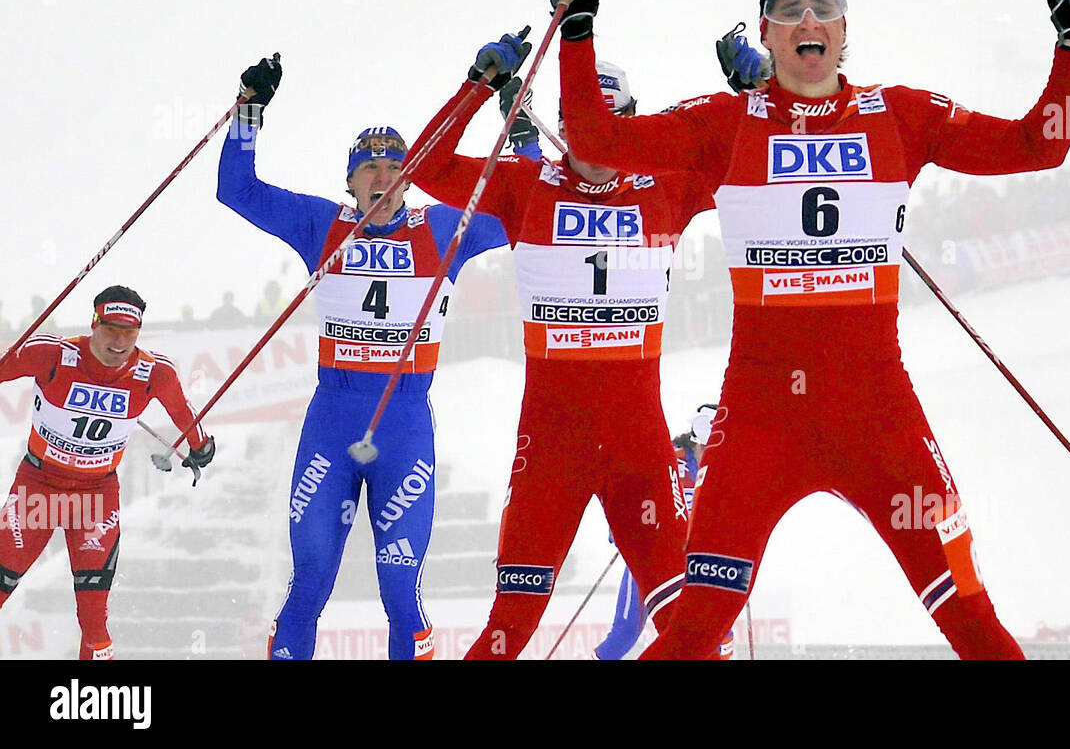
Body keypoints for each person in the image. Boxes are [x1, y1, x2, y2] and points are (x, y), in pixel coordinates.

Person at [549, 0, 1070, 659]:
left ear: (844, 30)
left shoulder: (900, 115)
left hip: (879, 416)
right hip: (759, 420)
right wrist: (578, 27)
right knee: (692, 632)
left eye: (825, 7)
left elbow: (1038, 145)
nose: (809, 18)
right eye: (788, 10)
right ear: (767, 33)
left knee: (967, 611)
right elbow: (596, 137)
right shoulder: (725, 123)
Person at [407, 42, 716, 659]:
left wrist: (753, 87)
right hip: (550, 447)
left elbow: (760, 159)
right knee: (507, 629)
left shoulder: (669, 185)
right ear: (562, 128)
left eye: (610, 128)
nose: (595, 147)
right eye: (579, 130)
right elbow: (426, 165)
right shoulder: (526, 185)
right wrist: (475, 85)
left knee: (695, 630)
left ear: (631, 123)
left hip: (640, 450)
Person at [216, 55, 508, 660]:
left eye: (395, 166)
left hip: (403, 423)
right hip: (333, 417)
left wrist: (518, 122)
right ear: (349, 181)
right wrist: (248, 110)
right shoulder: (322, 223)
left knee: (401, 591)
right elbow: (234, 190)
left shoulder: (442, 228)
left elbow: (525, 206)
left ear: (410, 178)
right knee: (310, 579)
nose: (382, 176)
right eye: (368, 167)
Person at [0, 286, 214, 659]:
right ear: (94, 323)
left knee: (95, 621)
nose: (119, 342)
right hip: (39, 488)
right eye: (111, 329)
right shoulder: (53, 354)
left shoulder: (153, 373)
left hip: (95, 497)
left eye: (129, 333)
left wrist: (201, 447)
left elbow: (186, 419)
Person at [594, 405, 735, 660]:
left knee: (719, 633)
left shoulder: (728, 469)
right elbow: (629, 490)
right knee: (625, 633)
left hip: (700, 566)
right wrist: (621, 529)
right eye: (705, 448)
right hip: (653, 559)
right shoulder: (671, 459)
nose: (710, 455)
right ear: (695, 443)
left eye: (717, 450)